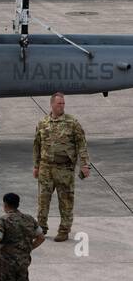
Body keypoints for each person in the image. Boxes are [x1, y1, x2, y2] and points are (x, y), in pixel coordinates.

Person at [32, 92, 89, 242]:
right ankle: (41, 229)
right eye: (59, 103)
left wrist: (84, 165)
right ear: (52, 104)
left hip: (64, 169)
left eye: (63, 103)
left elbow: (81, 144)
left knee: (66, 200)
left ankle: (64, 230)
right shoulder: (43, 123)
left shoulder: (72, 123)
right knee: (43, 200)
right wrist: (36, 166)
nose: (62, 106)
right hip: (46, 168)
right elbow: (37, 145)